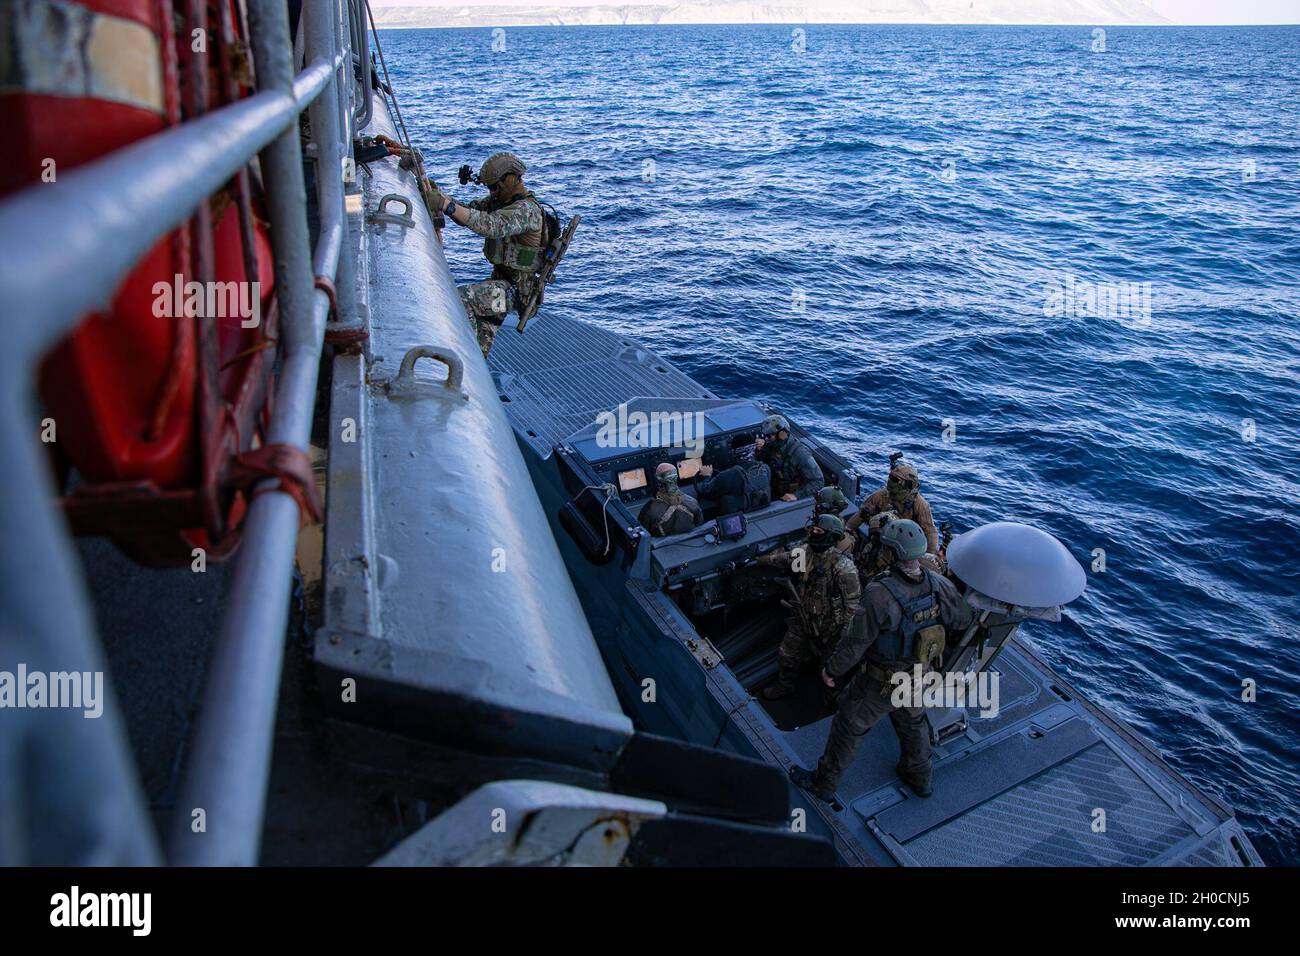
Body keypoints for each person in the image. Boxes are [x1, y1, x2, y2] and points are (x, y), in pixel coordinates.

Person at [789, 519, 974, 803]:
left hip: (879, 684)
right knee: (914, 725)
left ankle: (823, 784)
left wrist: (832, 670)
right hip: (918, 677)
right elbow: (961, 619)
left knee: (848, 726)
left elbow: (856, 643)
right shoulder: (938, 584)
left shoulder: (879, 594)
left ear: (892, 553)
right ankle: (920, 778)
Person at [431, 152, 545, 357]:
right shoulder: (503, 202)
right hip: (501, 286)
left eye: (495, 187)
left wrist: (446, 205)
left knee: (461, 300)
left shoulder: (526, 211)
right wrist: (438, 195)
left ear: (511, 178)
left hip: (512, 294)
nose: (492, 192)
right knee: (480, 344)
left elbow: (490, 225)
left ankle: (461, 359)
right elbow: (468, 211)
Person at [755, 514, 861, 701]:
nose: (813, 533)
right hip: (803, 617)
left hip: (831, 628)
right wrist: (758, 559)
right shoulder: (807, 553)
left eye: (818, 531)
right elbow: (784, 559)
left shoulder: (844, 568)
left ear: (830, 536)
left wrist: (842, 639)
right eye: (812, 529)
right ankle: (785, 686)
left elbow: (852, 609)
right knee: (787, 654)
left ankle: (833, 696)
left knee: (830, 668)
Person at [844, 455, 941, 573]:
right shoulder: (882, 495)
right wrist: (847, 530)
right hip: (881, 539)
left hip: (904, 547)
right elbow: (861, 514)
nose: (891, 482)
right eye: (891, 477)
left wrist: (930, 555)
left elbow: (930, 531)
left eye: (896, 480)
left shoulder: (920, 505)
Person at [695, 437, 771, 515]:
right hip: (765, 512)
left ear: (734, 453)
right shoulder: (765, 468)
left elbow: (706, 491)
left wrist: (707, 476)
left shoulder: (728, 475)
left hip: (738, 519)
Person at [756, 414, 821, 502]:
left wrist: (796, 495)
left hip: (790, 496)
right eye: (765, 436)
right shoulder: (772, 446)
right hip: (773, 488)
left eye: (770, 436)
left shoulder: (800, 454)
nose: (766, 439)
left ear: (782, 435)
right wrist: (760, 450)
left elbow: (818, 481)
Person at [638, 462, 703, 537]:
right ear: (676, 476)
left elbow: (642, 534)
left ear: (658, 479)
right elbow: (700, 527)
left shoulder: (649, 509)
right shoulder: (693, 502)